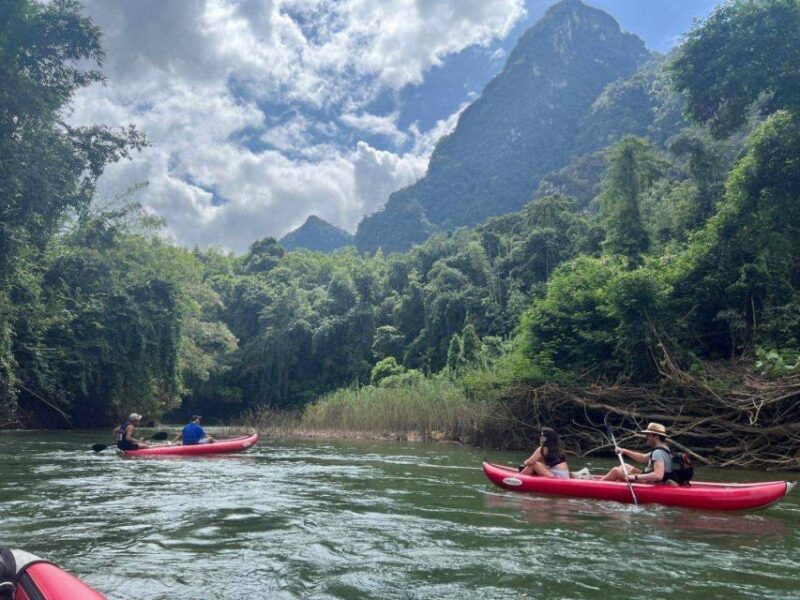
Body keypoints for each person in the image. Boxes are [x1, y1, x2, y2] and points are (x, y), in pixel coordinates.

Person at [601, 422, 674, 484]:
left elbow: (658, 475)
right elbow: (643, 458)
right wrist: (624, 451)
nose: (646, 437)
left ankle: (597, 485)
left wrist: (634, 477)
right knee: (625, 466)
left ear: (656, 436)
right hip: (651, 479)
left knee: (615, 471)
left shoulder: (658, 453)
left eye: (648, 435)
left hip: (650, 482)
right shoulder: (665, 449)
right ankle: (616, 484)